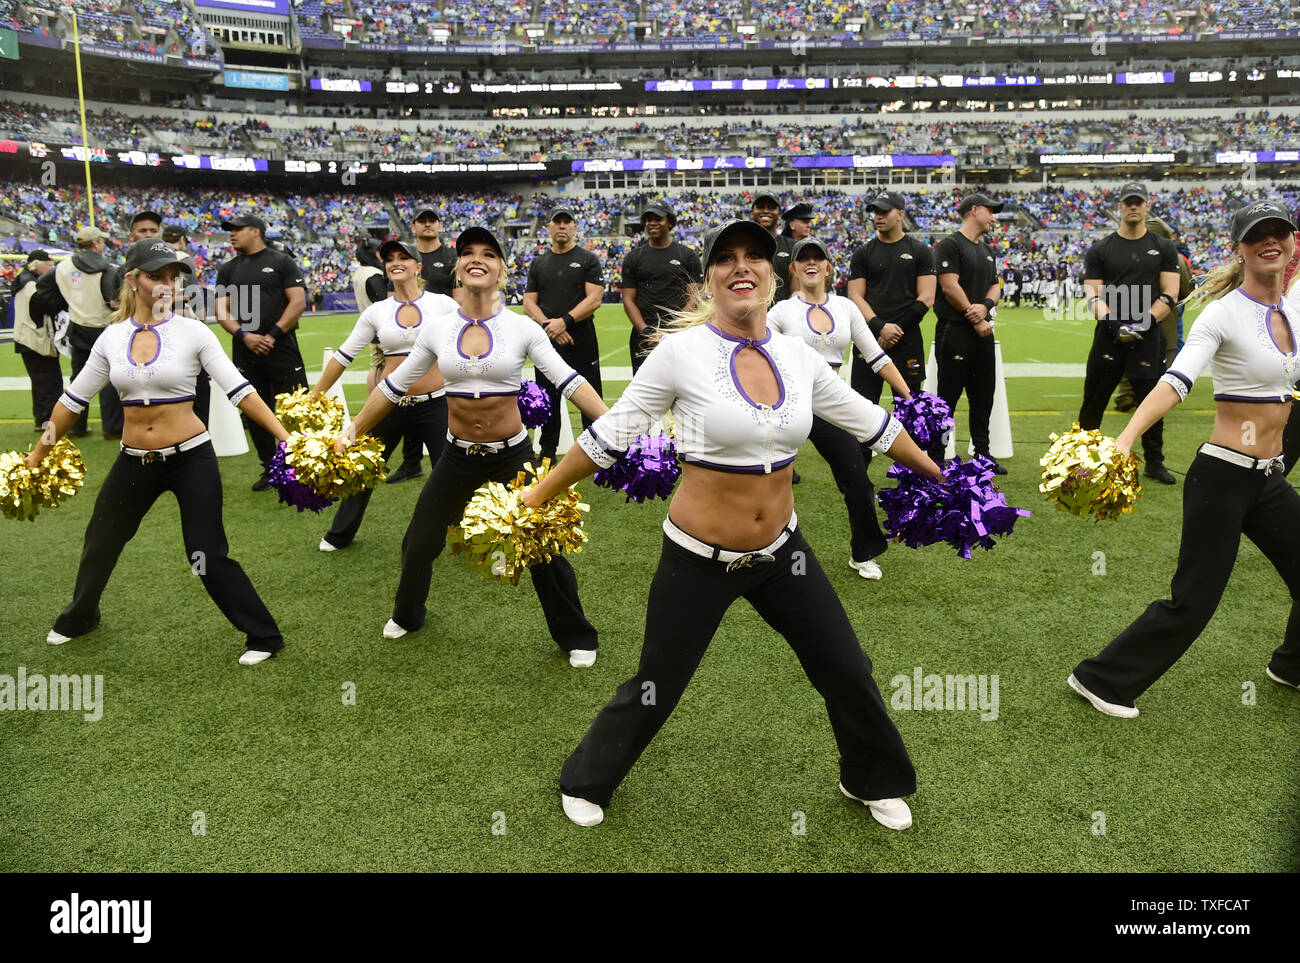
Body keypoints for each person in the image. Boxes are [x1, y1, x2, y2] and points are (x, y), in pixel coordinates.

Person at [522, 219, 942, 829]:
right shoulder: (680, 354)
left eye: (754, 257)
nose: (741, 266)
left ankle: (870, 777)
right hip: (700, 556)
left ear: (773, 276)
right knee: (657, 683)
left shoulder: (798, 356)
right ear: (710, 280)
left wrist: (939, 476)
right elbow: (609, 436)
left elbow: (868, 421)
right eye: (726, 259)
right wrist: (536, 498)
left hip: (782, 552)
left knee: (847, 668)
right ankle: (586, 776)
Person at [1069, 200, 1300, 716]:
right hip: (1222, 476)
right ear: (1239, 249)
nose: (1271, 242)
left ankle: (1291, 665)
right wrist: (1125, 438)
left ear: (1291, 244)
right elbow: (1177, 380)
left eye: (1279, 233)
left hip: (1267, 479)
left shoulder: (1292, 306)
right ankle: (1101, 679)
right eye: (1257, 235)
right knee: (1194, 600)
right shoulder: (1222, 314)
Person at [339, 227, 609, 666]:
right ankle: (409, 614)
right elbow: (393, 386)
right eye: (467, 253)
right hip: (457, 455)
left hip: (512, 454)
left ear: (502, 270)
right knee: (420, 540)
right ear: (459, 269)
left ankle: (577, 634)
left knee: (543, 547)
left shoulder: (522, 328)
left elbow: (568, 379)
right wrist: (354, 428)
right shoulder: (437, 329)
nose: (476, 258)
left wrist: (612, 423)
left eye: (488, 253)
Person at [26, 238, 290, 666]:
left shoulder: (193, 331)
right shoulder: (112, 337)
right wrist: (36, 457)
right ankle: (81, 616)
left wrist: (285, 437)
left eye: (173, 276)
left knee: (205, 553)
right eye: (156, 276)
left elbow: (239, 390)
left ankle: (264, 635)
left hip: (191, 458)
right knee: (101, 539)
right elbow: (73, 400)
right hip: (134, 461)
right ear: (132, 280)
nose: (167, 284)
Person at [768, 236, 914, 581]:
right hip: (788, 405)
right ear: (794, 268)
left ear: (829, 266)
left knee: (858, 481)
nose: (811, 263)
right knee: (770, 478)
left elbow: (876, 356)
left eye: (818, 257)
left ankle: (863, 553)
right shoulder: (781, 312)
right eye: (804, 258)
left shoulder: (846, 307)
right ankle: (763, 549)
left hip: (832, 406)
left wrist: (908, 395)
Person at [314, 240, 456, 552]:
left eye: (404, 258)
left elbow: (469, 336)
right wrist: (316, 394)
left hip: (435, 404)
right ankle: (340, 534)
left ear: (418, 266)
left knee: (452, 470)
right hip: (387, 404)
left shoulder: (443, 304)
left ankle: (463, 533)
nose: (395, 262)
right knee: (363, 468)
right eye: (390, 259)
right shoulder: (378, 311)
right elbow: (344, 354)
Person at [1077, 183, 1181, 485]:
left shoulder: (1163, 247)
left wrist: (1144, 324)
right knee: (1094, 400)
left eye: (1138, 202)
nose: (1133, 207)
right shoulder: (1101, 249)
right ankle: (1082, 457)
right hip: (1109, 337)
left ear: (1147, 206)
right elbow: (1093, 295)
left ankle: (1154, 462)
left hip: (1147, 337)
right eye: (1128, 203)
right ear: (1120, 208)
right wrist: (1115, 326)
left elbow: (1170, 292)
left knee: (1151, 401)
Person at [214, 214, 309, 491]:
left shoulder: (281, 261)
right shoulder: (228, 269)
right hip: (246, 349)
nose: (232, 234)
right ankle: (271, 468)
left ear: (256, 231)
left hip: (281, 346)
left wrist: (271, 335)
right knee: (255, 409)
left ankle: (303, 464)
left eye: (237, 229)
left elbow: (298, 301)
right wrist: (245, 335)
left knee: (296, 407)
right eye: (229, 230)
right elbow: (222, 310)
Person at [847, 190, 936, 466]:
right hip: (869, 341)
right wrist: (879, 327)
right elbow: (855, 296)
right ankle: (859, 471)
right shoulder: (863, 253)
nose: (878, 216)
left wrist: (895, 329)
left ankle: (910, 470)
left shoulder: (920, 250)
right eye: (875, 211)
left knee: (909, 407)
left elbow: (927, 297)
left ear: (901, 213)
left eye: (885, 211)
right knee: (863, 407)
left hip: (906, 340)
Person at [522, 206, 605, 464]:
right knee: (546, 397)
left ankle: (597, 451)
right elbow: (528, 303)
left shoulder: (588, 259)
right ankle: (547, 452)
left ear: (574, 227)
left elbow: (595, 299)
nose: (561, 226)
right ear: (548, 227)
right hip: (547, 341)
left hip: (581, 338)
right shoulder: (539, 262)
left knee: (589, 393)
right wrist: (551, 326)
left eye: (566, 222)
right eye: (556, 221)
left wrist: (564, 322)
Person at [933, 193, 1007, 474]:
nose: (993, 217)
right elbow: (949, 286)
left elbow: (995, 286)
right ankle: (937, 454)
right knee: (947, 399)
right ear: (974, 210)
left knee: (983, 395)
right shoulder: (950, 245)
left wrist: (985, 306)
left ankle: (982, 453)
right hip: (956, 330)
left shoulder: (987, 250)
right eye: (990, 211)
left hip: (982, 331)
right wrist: (973, 315)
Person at [31, 226, 122, 440]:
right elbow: (112, 300)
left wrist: (65, 304)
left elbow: (42, 287)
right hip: (104, 327)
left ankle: (76, 426)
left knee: (79, 379)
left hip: (78, 327)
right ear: (96, 243)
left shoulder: (63, 267)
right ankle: (113, 428)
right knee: (110, 379)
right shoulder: (107, 269)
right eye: (101, 241)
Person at [620, 200, 702, 374]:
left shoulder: (687, 255)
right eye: (648, 219)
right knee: (644, 393)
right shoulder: (633, 257)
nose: (652, 223)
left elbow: (694, 298)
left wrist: (671, 330)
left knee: (683, 390)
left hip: (680, 335)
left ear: (670, 222)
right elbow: (628, 300)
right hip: (644, 337)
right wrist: (646, 331)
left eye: (658, 218)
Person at [11, 250, 61, 432]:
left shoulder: (24, 281)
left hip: (28, 338)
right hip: (33, 339)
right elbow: (44, 305)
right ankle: (46, 420)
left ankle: (43, 419)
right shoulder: (29, 284)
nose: (51, 268)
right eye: (49, 264)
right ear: (37, 264)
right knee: (47, 382)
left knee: (43, 383)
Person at [750, 192, 794, 301]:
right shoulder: (741, 248)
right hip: (750, 314)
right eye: (760, 207)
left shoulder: (793, 247)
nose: (765, 210)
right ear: (752, 213)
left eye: (771, 207)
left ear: (779, 214)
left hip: (783, 315)